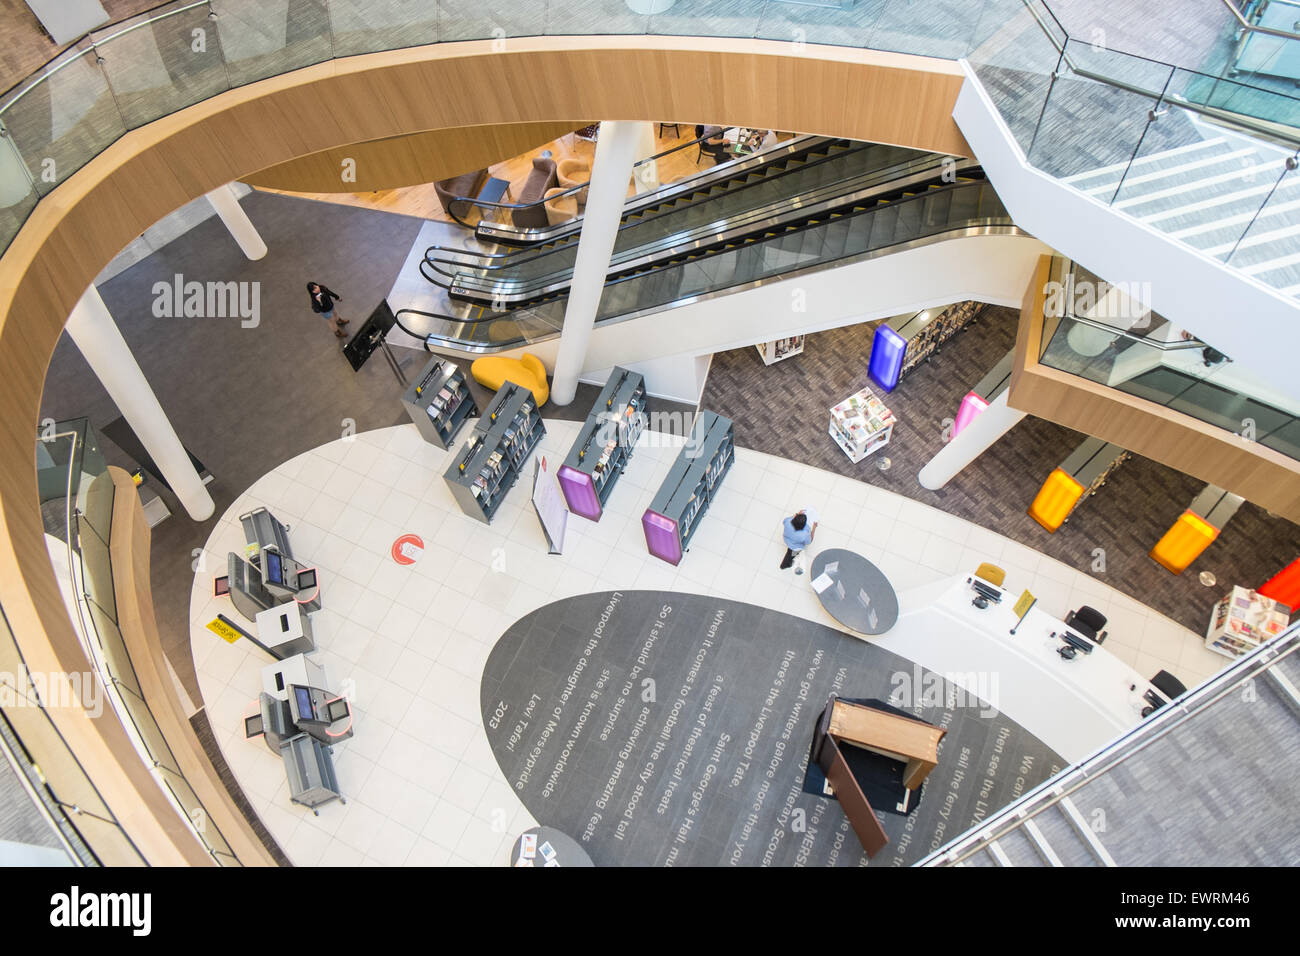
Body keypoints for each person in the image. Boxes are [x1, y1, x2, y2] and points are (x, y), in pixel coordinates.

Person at [780, 508, 819, 575]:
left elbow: (785, 521)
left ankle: (786, 563)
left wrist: (797, 515)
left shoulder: (788, 522)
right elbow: (809, 541)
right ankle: (785, 565)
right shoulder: (805, 533)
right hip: (795, 547)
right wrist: (814, 528)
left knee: (789, 553)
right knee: (790, 555)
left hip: (787, 540)